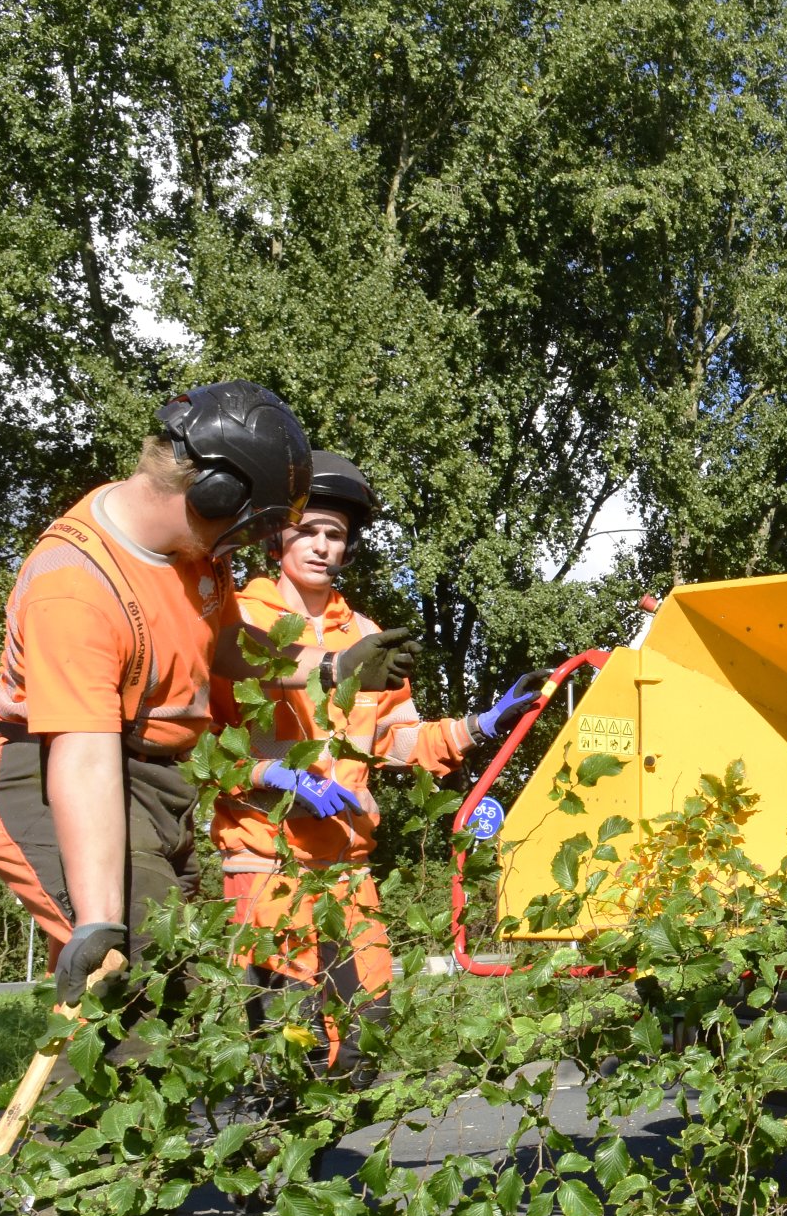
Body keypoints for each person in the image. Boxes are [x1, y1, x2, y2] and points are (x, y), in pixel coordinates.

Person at [0, 383, 376, 1007]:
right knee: (140, 971)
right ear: (217, 493)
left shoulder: (192, 549)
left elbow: (230, 644)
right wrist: (101, 919)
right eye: (249, 524)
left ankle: (90, 1098)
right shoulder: (76, 589)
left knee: (150, 997)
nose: (243, 545)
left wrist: (333, 664)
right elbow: (84, 753)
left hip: (152, 784)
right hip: (53, 776)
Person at [211, 451, 546, 1080]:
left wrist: (481, 725)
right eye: (306, 529)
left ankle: (317, 1169)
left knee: (365, 1046)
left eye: (334, 535)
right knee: (288, 1049)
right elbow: (203, 750)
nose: (320, 546)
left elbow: (395, 744)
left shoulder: (365, 632)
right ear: (276, 533)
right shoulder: (238, 623)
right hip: (268, 861)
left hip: (347, 865)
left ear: (349, 547)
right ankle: (258, 1173)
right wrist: (274, 779)